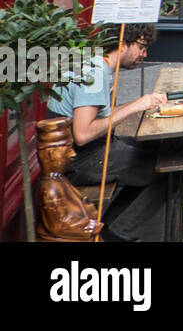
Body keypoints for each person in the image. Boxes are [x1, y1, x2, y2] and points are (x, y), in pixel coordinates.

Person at [46, 23, 168, 242]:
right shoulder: (94, 73)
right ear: (122, 44)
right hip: (79, 159)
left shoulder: (93, 63)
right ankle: (115, 235)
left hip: (81, 152)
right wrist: (134, 106)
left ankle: (111, 227)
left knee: (161, 151)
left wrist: (141, 103)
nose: (144, 54)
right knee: (169, 168)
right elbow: (83, 134)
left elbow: (100, 117)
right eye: (141, 46)